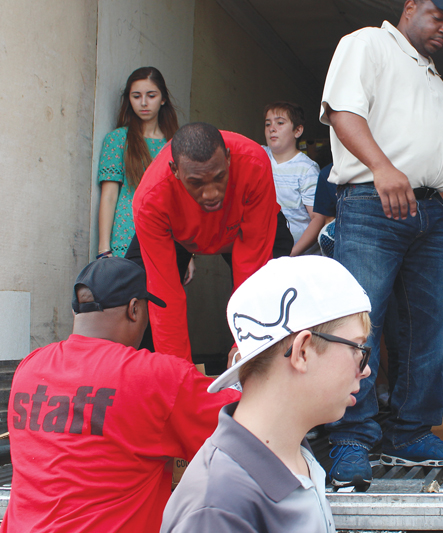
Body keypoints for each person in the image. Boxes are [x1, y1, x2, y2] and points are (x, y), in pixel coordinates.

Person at [318, 0, 443, 488]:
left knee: (430, 324)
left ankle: (409, 432)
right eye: (437, 16)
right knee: (360, 324)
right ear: (410, 7)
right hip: (371, 201)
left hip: (427, 209)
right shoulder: (368, 43)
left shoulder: (432, 74)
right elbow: (342, 112)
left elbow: (423, 157)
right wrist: (382, 168)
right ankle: (350, 438)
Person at [1, 257, 239, 533]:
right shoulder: (154, 376)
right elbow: (249, 422)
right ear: (134, 309)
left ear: (76, 311)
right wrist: (247, 366)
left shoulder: (30, 367)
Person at [161, 256, 372, 532]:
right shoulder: (218, 508)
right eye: (357, 349)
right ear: (302, 352)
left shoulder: (296, 456)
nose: (366, 370)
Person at [127, 122, 286, 363]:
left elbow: (251, 268)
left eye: (219, 177)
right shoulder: (151, 200)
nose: (211, 193)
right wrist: (177, 370)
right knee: (138, 289)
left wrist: (245, 345)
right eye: (197, 182)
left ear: (228, 159)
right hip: (180, 236)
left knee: (275, 282)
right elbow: (165, 293)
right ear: (175, 171)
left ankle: (268, 364)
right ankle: (157, 371)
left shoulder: (253, 162)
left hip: (242, 229)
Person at [97, 67, 196, 282]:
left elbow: (183, 201)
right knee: (127, 300)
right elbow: (109, 196)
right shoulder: (117, 139)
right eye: (136, 96)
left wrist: (188, 253)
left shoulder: (176, 145)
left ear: (163, 99)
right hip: (125, 236)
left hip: (167, 238)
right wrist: (104, 249)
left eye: (151, 95)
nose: (143, 103)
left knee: (161, 300)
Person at [262, 101, 325, 256]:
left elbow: (317, 218)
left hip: (300, 257)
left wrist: (291, 254)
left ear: (297, 131)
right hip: (267, 253)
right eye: (268, 124)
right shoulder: (258, 156)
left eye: (280, 123)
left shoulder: (307, 169)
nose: (272, 128)